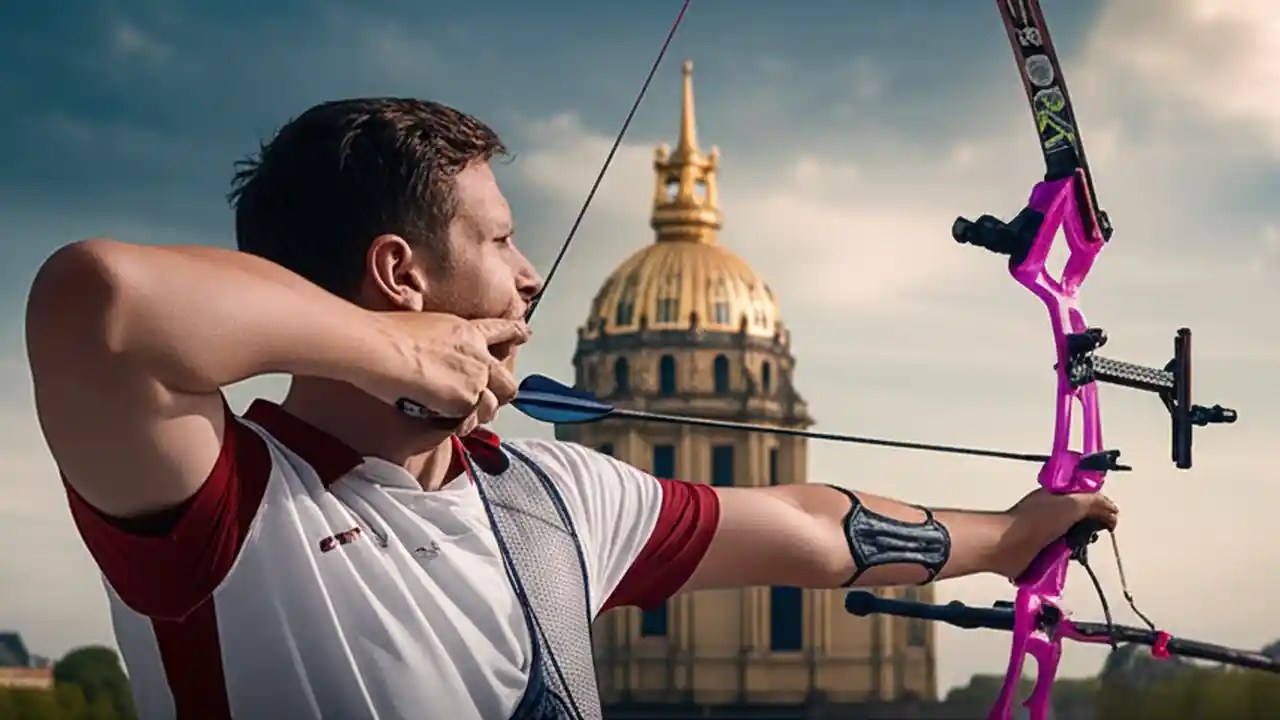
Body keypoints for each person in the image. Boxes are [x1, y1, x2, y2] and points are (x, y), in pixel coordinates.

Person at [25, 98, 1119, 720]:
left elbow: (807, 527)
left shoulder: (553, 491)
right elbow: (99, 300)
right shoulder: (219, 504)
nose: (534, 272)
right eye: (500, 241)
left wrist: (1007, 541)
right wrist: (383, 350)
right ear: (399, 274)